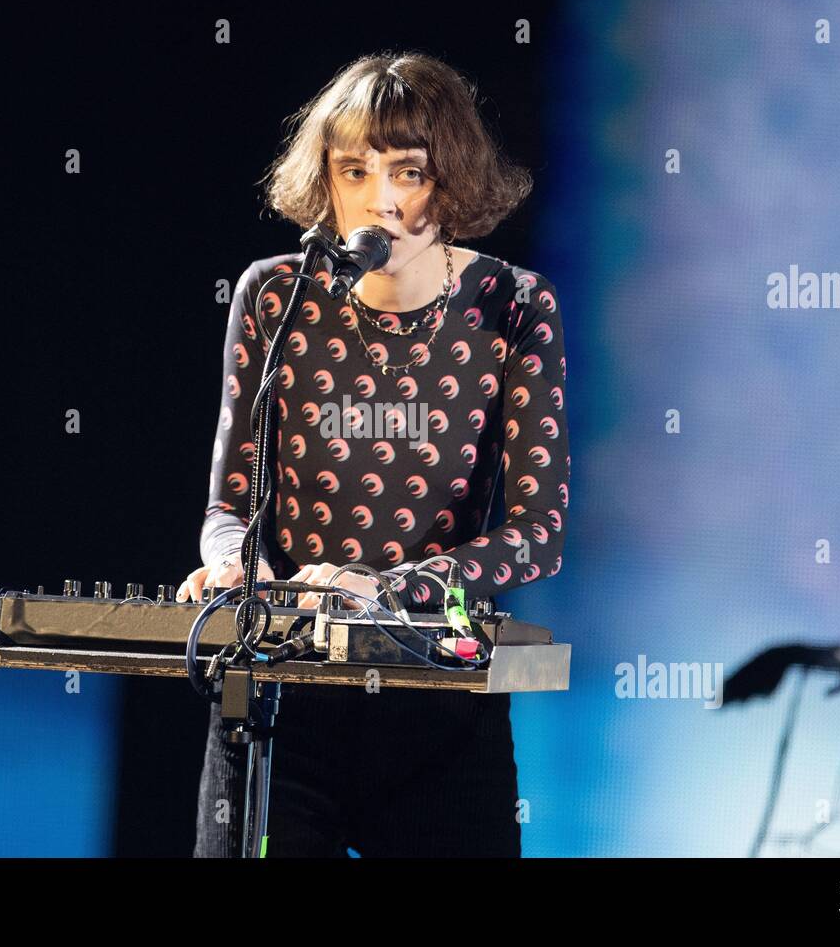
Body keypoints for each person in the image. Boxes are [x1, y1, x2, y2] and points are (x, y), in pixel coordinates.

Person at [179, 50, 569, 857]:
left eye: (408, 172)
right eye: (354, 171)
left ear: (450, 179)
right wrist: (228, 567)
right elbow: (230, 507)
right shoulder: (274, 294)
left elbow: (538, 534)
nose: (380, 201)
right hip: (280, 702)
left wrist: (383, 589)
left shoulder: (515, 305)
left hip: (438, 710)